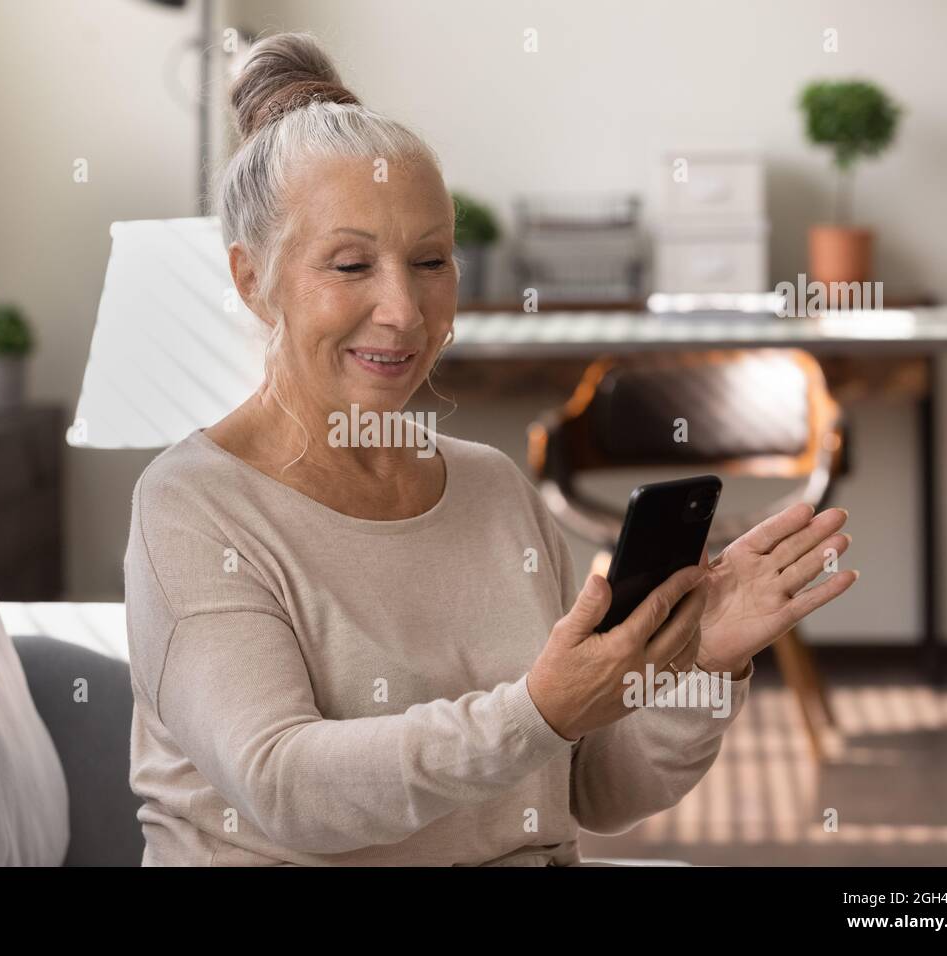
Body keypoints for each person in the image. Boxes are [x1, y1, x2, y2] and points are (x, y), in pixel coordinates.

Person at [124, 32, 857, 866]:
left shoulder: (491, 487)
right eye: (351, 265)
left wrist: (700, 670)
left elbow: (593, 791)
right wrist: (538, 711)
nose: (405, 310)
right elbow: (287, 787)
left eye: (431, 260)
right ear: (252, 279)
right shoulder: (193, 506)